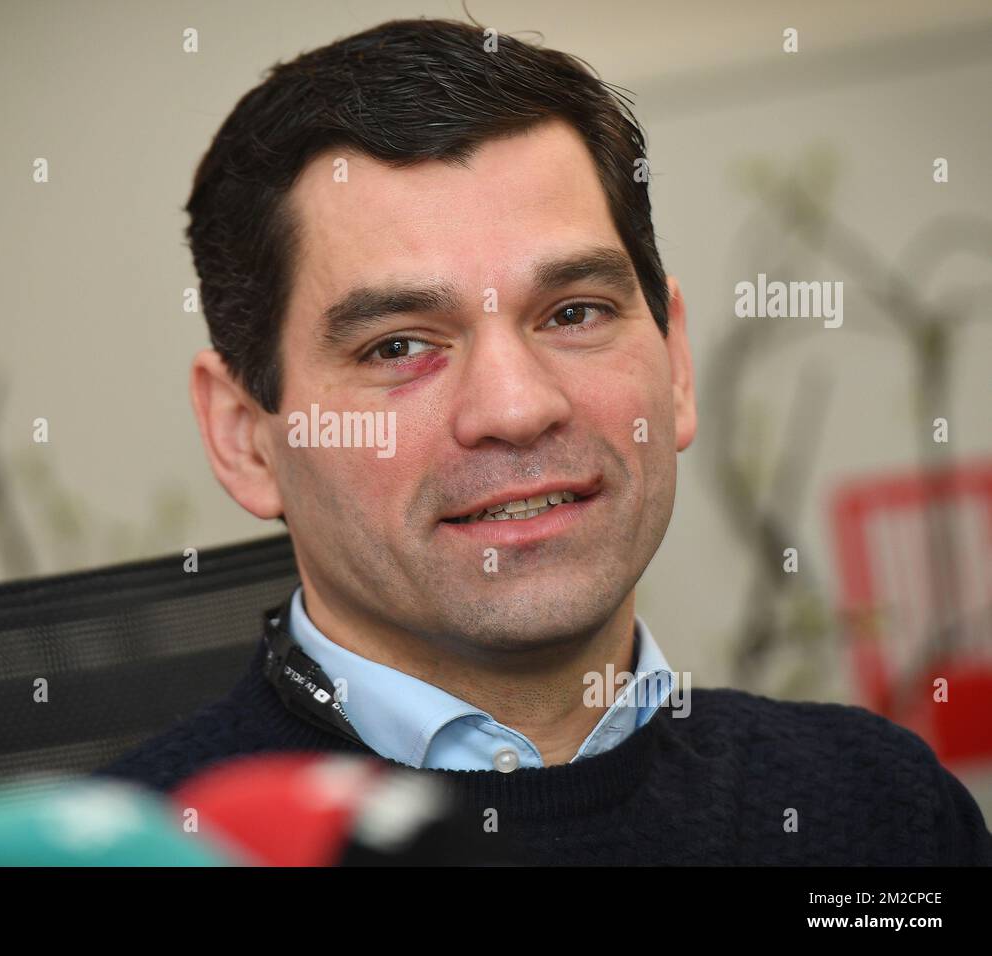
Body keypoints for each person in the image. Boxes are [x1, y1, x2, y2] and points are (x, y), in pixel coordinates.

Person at [98, 17, 991, 864]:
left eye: (573, 313)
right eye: (400, 344)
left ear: (676, 367)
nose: (517, 409)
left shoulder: (881, 816)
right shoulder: (151, 861)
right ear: (245, 439)